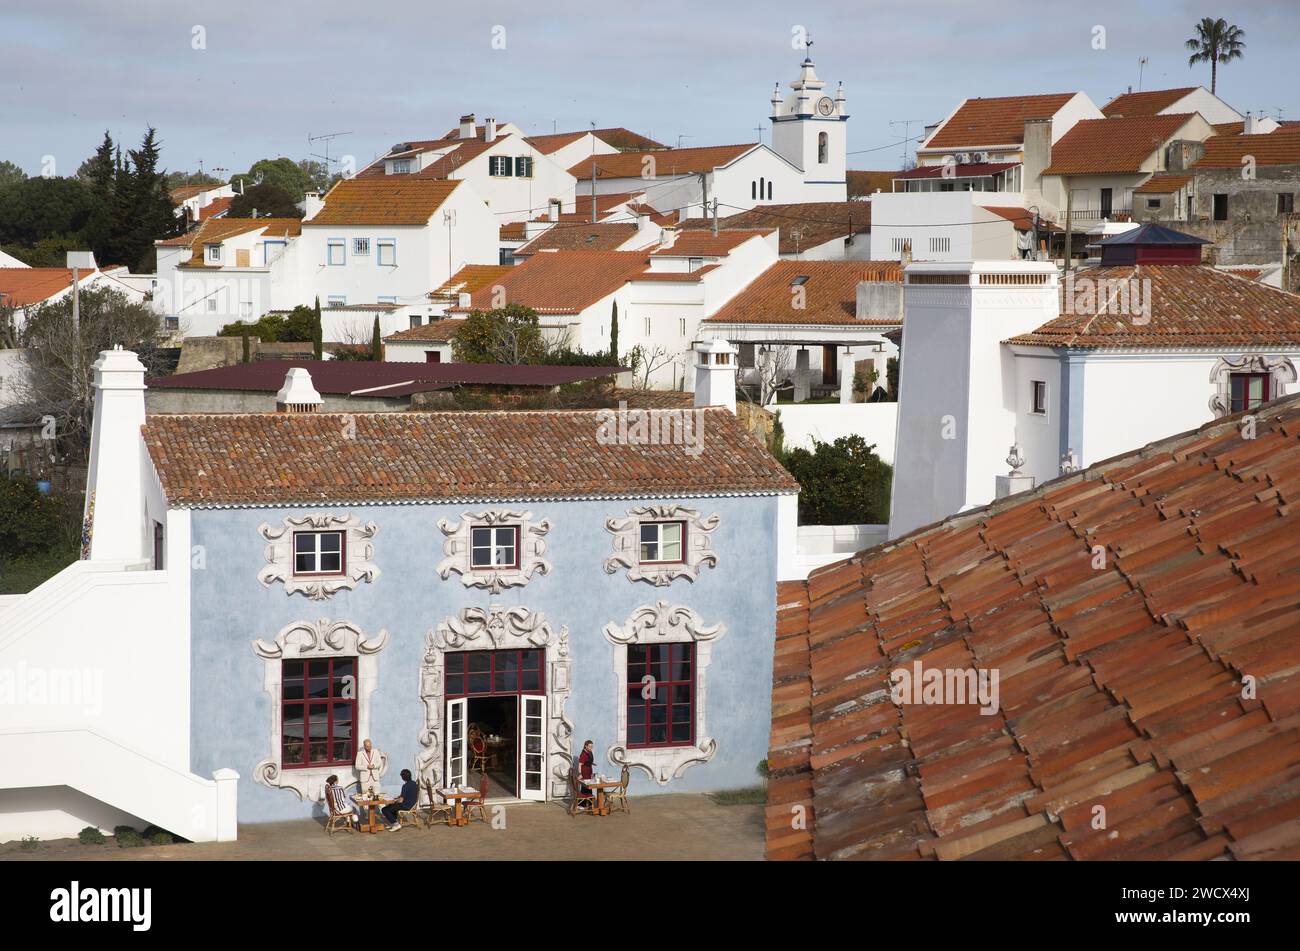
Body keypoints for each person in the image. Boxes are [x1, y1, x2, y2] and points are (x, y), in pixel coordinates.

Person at [576, 739, 595, 808]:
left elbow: (588, 761)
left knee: (589, 787)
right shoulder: (583, 754)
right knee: (585, 788)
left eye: (592, 746)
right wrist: (580, 774)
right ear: (585, 746)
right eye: (590, 746)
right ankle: (581, 805)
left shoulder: (590, 752)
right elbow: (580, 764)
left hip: (589, 771)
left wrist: (592, 764)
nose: (591, 748)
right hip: (584, 772)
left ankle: (589, 804)